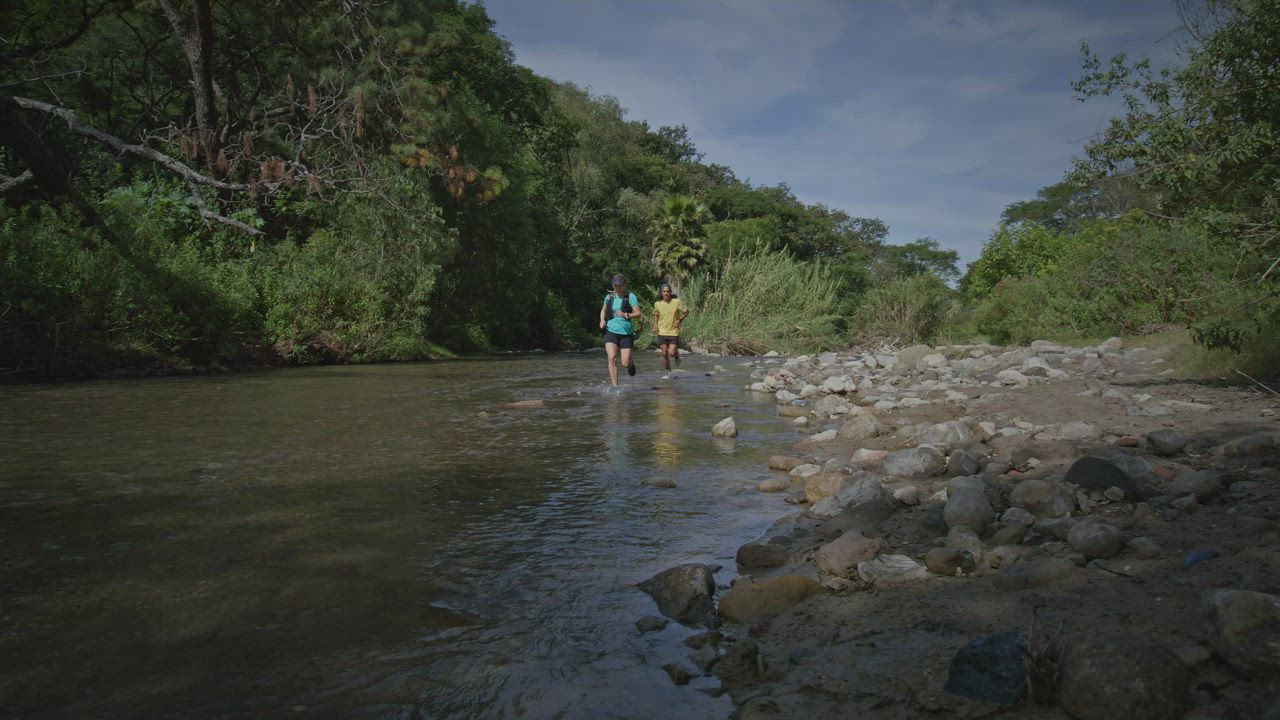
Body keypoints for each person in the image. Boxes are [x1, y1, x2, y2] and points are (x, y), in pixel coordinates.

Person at [599, 274, 641, 386]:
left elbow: (638, 314)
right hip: (611, 332)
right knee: (611, 358)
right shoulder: (609, 297)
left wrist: (625, 314)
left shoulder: (631, 297)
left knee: (625, 363)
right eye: (615, 285)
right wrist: (602, 320)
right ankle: (615, 386)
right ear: (613, 285)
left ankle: (631, 363)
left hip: (626, 334)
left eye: (619, 285)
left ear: (624, 285)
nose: (617, 288)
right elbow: (603, 310)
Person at [651, 283, 689, 375]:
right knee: (664, 353)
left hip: (673, 332)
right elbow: (656, 314)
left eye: (668, 291)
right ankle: (668, 372)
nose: (666, 293)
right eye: (664, 291)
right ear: (661, 292)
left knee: (671, 353)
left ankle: (676, 355)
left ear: (670, 292)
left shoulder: (676, 302)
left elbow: (686, 311)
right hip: (662, 332)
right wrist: (655, 325)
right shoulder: (658, 304)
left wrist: (679, 320)